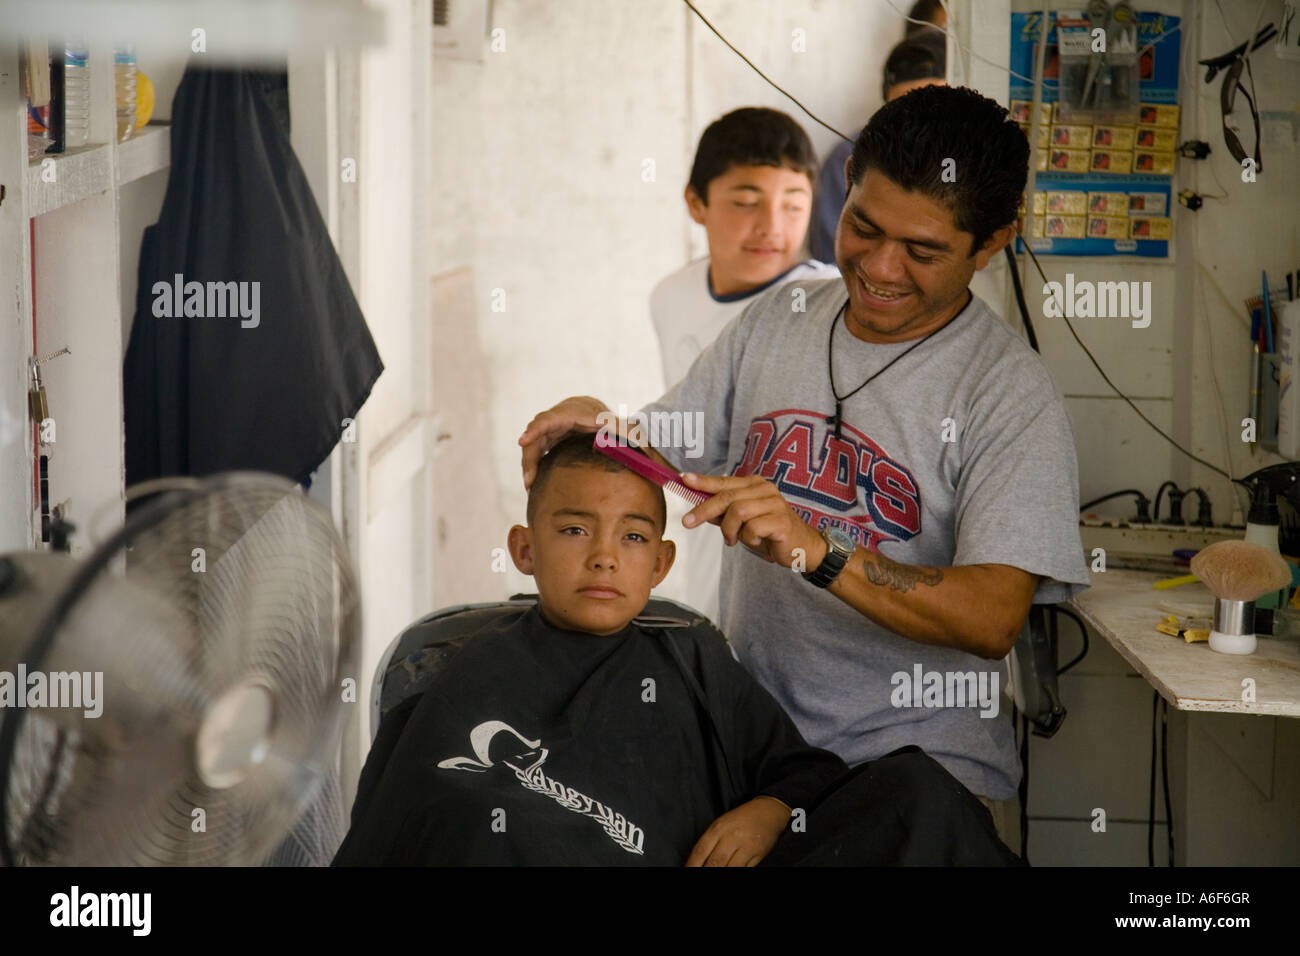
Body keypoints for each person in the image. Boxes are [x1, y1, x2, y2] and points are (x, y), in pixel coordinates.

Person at [519, 86, 1092, 855]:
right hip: (758, 761)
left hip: (912, 783)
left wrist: (816, 549)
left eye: (923, 252)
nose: (882, 268)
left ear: (992, 244)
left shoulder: (1006, 394)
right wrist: (601, 423)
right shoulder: (778, 320)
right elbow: (661, 451)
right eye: (864, 226)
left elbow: (991, 617)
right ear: (848, 180)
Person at [333, 432, 1020, 866]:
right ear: (524, 549)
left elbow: (801, 772)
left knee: (915, 794)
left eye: (632, 538)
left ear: (659, 565)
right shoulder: (466, 667)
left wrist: (767, 812)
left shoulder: (690, 655)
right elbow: (420, 822)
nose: (605, 557)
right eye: (575, 531)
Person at [650, 107, 839, 626]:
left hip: (806, 577)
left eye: (793, 204)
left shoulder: (830, 304)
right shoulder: (671, 296)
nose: (771, 227)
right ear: (696, 202)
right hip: (709, 561)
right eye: (746, 201)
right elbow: (685, 443)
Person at [807, 29, 947, 265]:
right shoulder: (850, 156)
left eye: (937, 104)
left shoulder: (976, 161)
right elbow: (832, 263)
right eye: (906, 106)